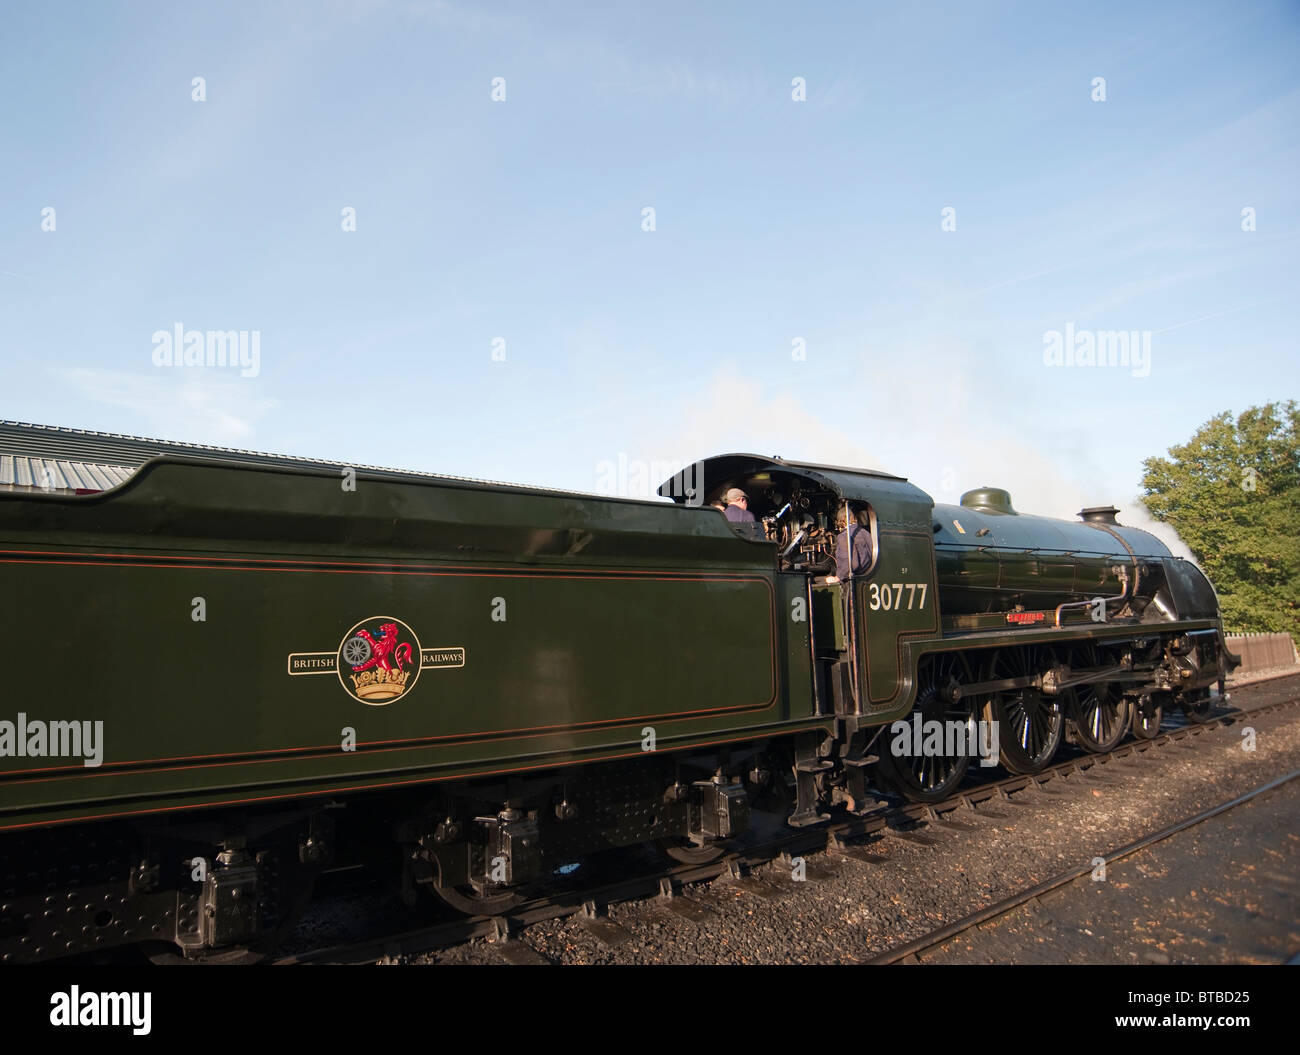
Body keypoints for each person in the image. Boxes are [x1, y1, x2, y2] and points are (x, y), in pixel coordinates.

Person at [834, 506, 872, 580]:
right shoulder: (866, 533)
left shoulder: (844, 536)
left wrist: (838, 577)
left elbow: (849, 563)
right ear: (855, 518)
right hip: (866, 575)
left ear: (841, 520)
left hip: (853, 580)